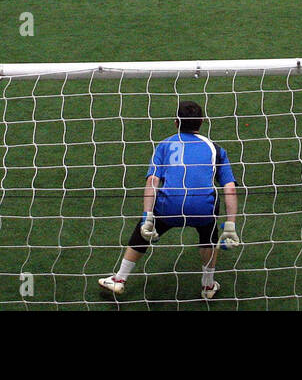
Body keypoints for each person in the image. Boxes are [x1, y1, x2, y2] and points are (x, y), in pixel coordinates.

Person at [98, 101, 239, 300]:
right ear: (201, 122)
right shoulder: (215, 149)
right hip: (202, 210)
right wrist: (231, 225)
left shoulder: (164, 145)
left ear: (176, 122)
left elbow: (152, 181)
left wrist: (147, 216)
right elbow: (229, 188)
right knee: (209, 232)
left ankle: (119, 279)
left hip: (168, 209)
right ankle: (208, 286)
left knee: (143, 230)